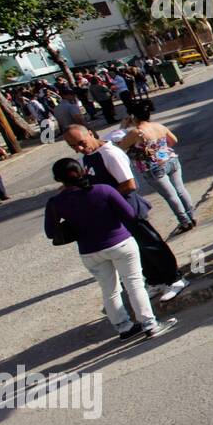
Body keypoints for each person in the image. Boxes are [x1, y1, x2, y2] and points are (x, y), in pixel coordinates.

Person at [44, 158, 177, 341]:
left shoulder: (55, 202)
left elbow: (51, 232)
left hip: (89, 251)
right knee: (134, 284)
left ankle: (124, 328)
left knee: (109, 290)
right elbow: (130, 213)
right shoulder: (103, 190)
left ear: (58, 179)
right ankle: (150, 324)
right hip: (120, 243)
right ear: (83, 171)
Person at [62, 124, 189, 301]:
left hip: (129, 208)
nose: (79, 148)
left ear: (90, 134)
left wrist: (104, 199)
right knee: (137, 249)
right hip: (114, 213)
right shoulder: (88, 157)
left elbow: (129, 184)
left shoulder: (110, 153)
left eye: (81, 143)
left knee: (150, 243)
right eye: (73, 146)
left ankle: (174, 278)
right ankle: (155, 280)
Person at [114, 99, 196, 230]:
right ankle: (191, 216)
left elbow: (119, 147)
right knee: (180, 190)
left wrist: (123, 127)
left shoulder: (136, 133)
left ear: (133, 116)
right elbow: (173, 140)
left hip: (153, 167)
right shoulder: (159, 126)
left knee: (171, 195)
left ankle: (185, 221)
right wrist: (160, 149)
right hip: (171, 160)